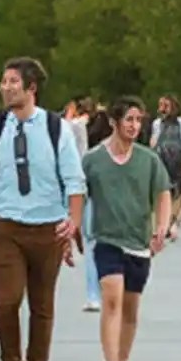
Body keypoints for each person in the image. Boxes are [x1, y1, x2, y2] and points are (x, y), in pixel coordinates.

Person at [0, 57, 87, 361]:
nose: (6, 88)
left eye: (13, 82)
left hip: (48, 228)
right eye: (3, 82)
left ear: (31, 88)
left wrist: (72, 221)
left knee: (42, 305)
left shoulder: (57, 128)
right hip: (7, 228)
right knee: (7, 301)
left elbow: (74, 179)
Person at [82, 96, 171, 361]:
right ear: (113, 122)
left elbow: (163, 193)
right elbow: (77, 195)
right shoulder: (93, 160)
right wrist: (71, 225)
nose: (134, 126)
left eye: (138, 120)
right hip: (107, 240)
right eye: (129, 119)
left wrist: (161, 227)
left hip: (138, 242)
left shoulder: (148, 159)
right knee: (111, 298)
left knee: (130, 309)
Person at [82, 110, 114, 313]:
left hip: (92, 203)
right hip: (114, 205)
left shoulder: (90, 155)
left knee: (92, 248)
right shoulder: (116, 153)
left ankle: (93, 295)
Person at [150, 95, 181, 240]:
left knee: (177, 193)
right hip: (161, 160)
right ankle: (162, 222)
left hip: (178, 161)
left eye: (166, 105)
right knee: (162, 191)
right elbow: (154, 141)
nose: (162, 109)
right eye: (161, 105)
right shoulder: (157, 123)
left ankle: (171, 222)